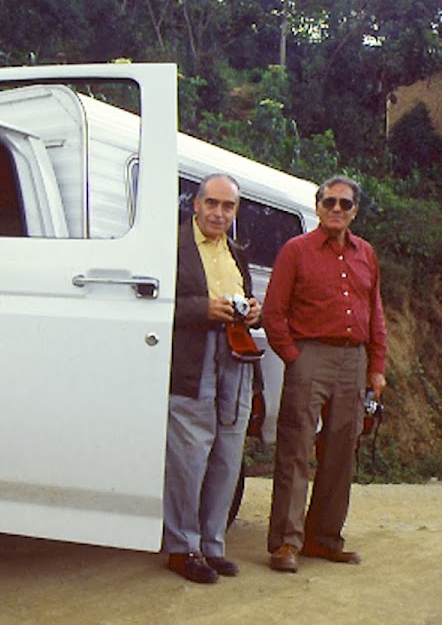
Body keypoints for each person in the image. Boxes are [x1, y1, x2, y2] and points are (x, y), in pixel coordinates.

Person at [262, 174, 387, 573]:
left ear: (355, 211)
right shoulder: (296, 251)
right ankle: (286, 542)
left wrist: (376, 367)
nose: (336, 209)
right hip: (310, 355)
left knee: (341, 451)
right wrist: (293, 357)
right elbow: (273, 312)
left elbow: (375, 313)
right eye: (329, 202)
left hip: (354, 360)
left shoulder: (366, 254)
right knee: (296, 448)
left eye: (344, 203)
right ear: (317, 207)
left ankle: (324, 538)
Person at [164, 173, 262, 583]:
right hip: (192, 358)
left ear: (235, 211)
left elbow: (248, 304)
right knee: (189, 454)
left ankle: (212, 545)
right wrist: (201, 309)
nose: (219, 213)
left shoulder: (237, 253)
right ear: (196, 204)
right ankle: (182, 548)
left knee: (228, 452)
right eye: (212, 204)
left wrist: (254, 312)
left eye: (228, 206)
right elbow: (153, 301)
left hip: (235, 355)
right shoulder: (172, 246)